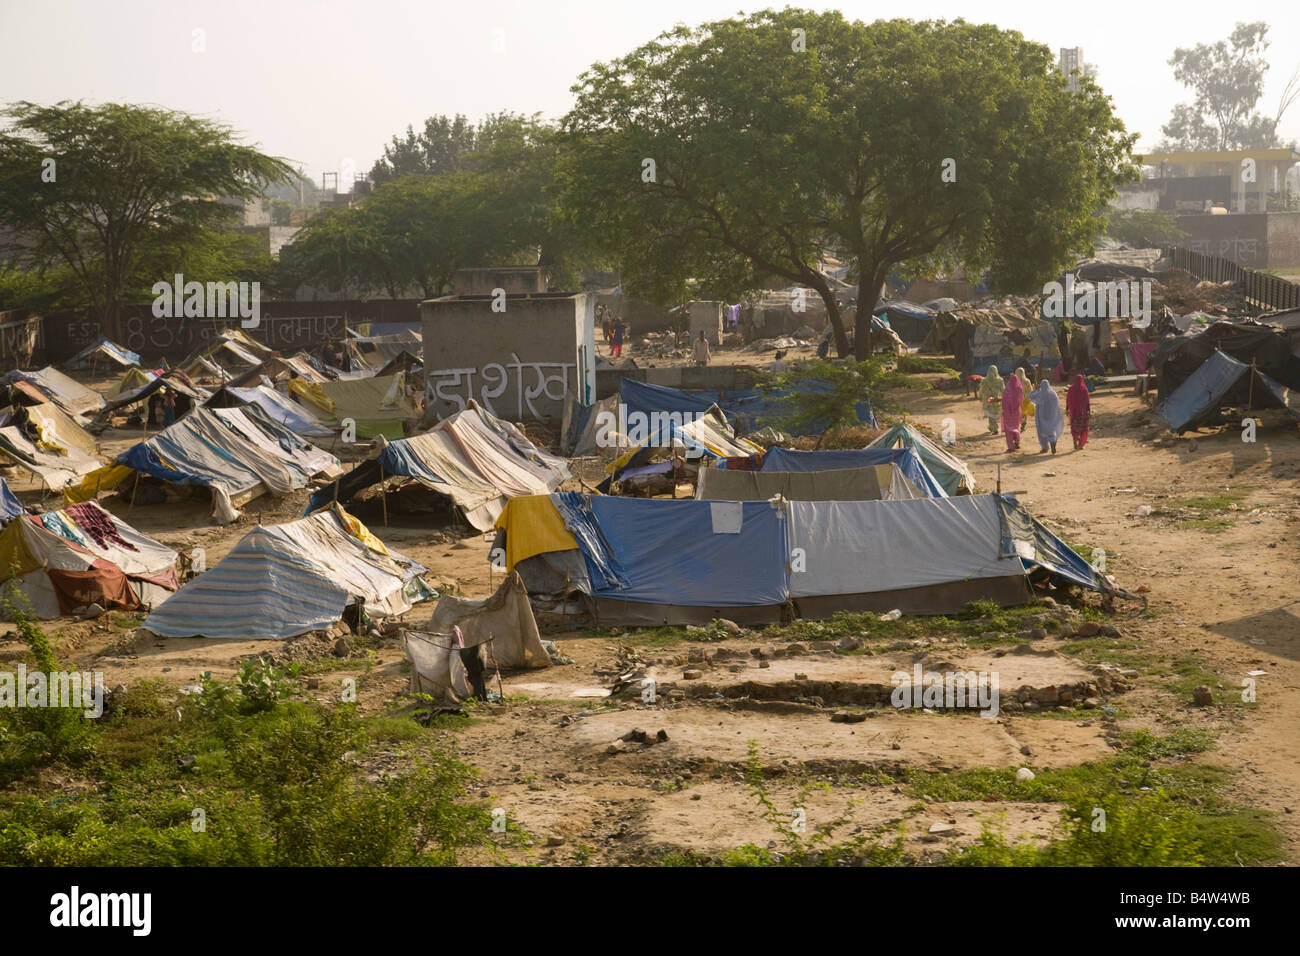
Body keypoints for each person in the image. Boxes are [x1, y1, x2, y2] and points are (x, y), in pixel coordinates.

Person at [1029, 378, 1063, 454]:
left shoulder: (1039, 394)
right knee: (1051, 431)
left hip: (1041, 417)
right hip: (1051, 416)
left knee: (1041, 432)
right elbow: (1057, 405)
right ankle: (1053, 445)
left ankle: (1045, 447)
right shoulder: (1053, 394)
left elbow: (1030, 396)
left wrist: (1035, 389)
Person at [1066, 373, 1091, 450]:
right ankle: (1080, 444)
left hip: (1073, 412)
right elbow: (1087, 401)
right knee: (1084, 428)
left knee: (1074, 426)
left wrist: (1067, 409)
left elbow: (1068, 400)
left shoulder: (1071, 389)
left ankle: (1075, 439)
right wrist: (1089, 410)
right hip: (1082, 413)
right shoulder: (1084, 389)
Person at [978, 365, 1004, 435]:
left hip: (987, 399)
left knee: (990, 414)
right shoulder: (1000, 380)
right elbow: (1003, 390)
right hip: (996, 399)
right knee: (995, 413)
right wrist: (1004, 397)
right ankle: (993, 427)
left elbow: (981, 390)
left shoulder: (984, 380)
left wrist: (980, 396)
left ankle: (994, 428)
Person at [1001, 370, 1023, 452]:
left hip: (1008, 412)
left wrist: (1004, 410)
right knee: (1015, 427)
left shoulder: (1007, 389)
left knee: (1008, 430)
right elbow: (1021, 399)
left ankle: (1011, 446)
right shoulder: (1019, 388)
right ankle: (1017, 442)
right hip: (1017, 411)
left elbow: (1004, 401)